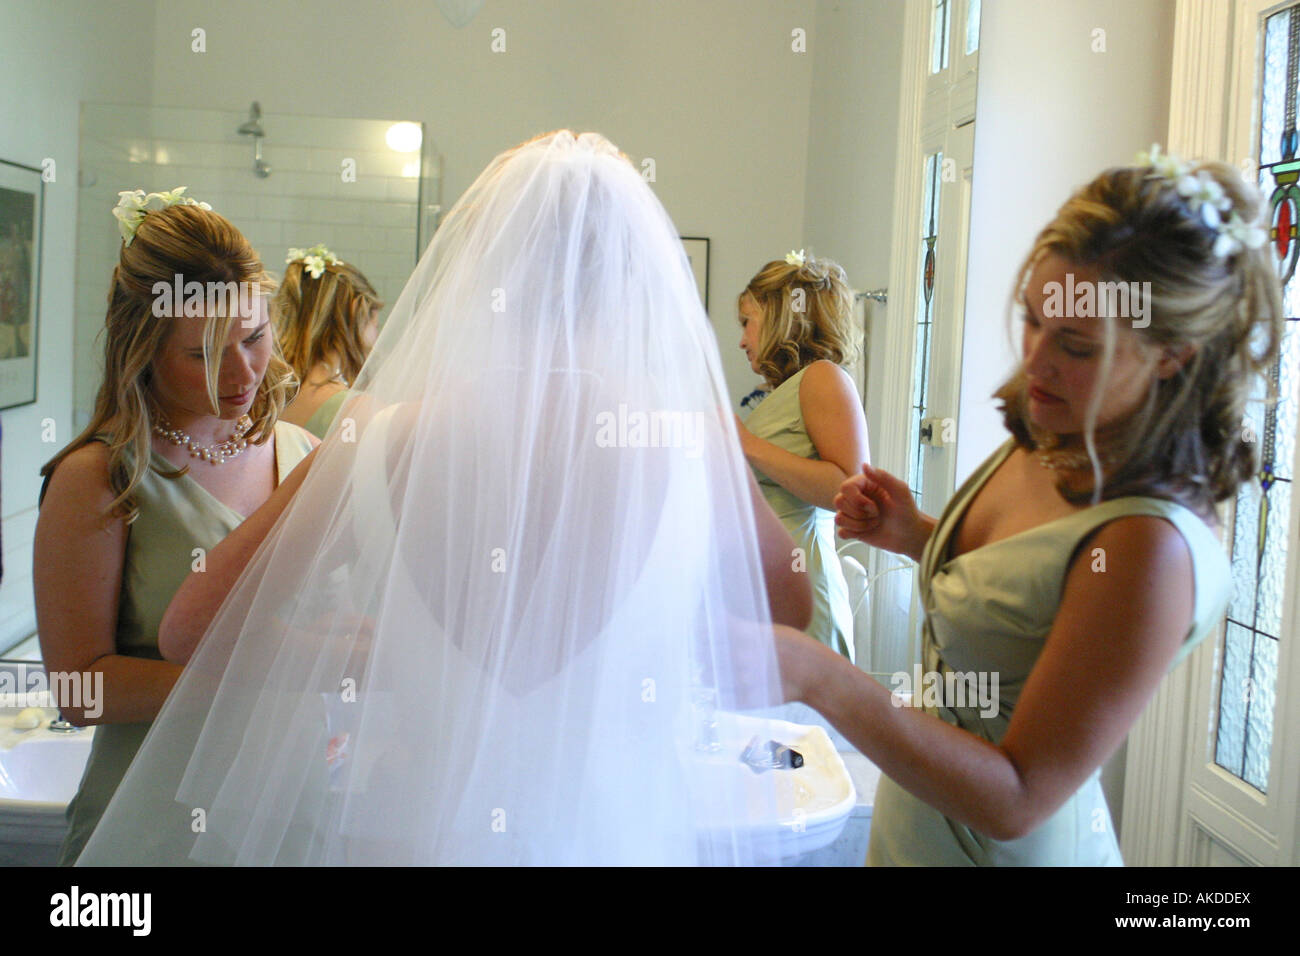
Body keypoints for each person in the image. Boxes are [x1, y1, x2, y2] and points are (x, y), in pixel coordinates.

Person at [76, 131, 813, 866]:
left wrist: (371, 653)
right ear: (634, 281)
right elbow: (786, 617)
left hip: (413, 836)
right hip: (614, 836)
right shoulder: (694, 442)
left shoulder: (378, 437)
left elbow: (191, 630)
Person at [775, 150, 1282, 866]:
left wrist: (816, 674)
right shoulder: (1053, 429)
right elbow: (1025, 595)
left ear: (1171, 353)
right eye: (1034, 319)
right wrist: (914, 533)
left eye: (1075, 343)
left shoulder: (1149, 545)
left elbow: (1017, 795)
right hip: (916, 827)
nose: (1035, 360)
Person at [34, 188, 318, 865]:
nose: (244, 372)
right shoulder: (101, 477)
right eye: (204, 354)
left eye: (254, 338)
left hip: (291, 823)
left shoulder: (302, 453)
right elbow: (79, 690)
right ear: (145, 347)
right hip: (149, 834)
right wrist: (270, 676)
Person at [733, 253, 869, 660]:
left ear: (780, 318)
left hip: (805, 587)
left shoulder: (823, 378)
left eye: (747, 322)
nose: (741, 340)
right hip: (767, 593)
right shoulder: (784, 392)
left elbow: (850, 488)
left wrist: (746, 444)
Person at [274, 245, 383, 439]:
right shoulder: (356, 409)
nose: (377, 335)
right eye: (375, 324)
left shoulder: (269, 393)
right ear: (355, 310)